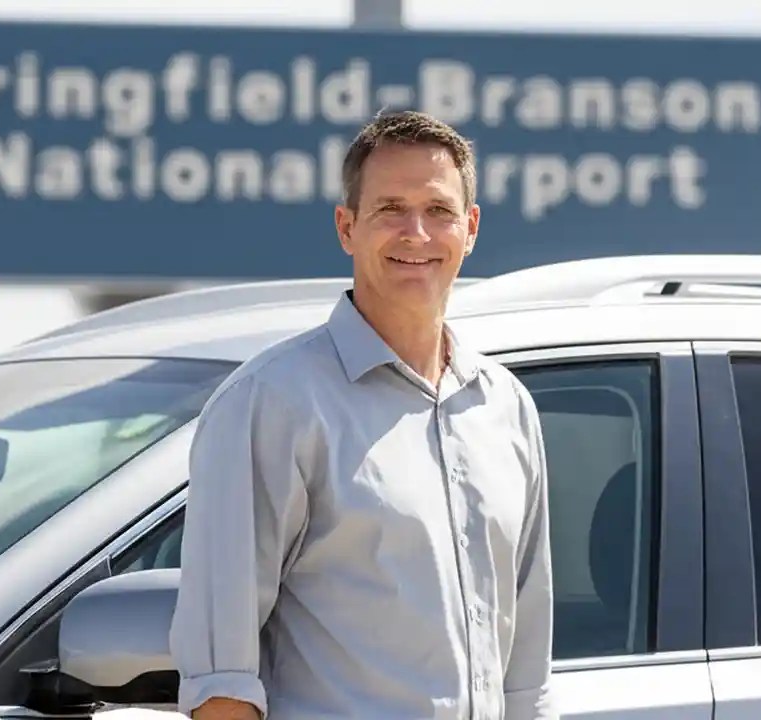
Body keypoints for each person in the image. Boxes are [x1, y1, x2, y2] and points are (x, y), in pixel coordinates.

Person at [170, 110, 556, 720]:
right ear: (346, 227)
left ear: (471, 227)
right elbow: (223, 685)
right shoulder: (272, 404)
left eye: (438, 211)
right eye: (390, 210)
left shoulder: (505, 408)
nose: (417, 234)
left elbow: (526, 679)